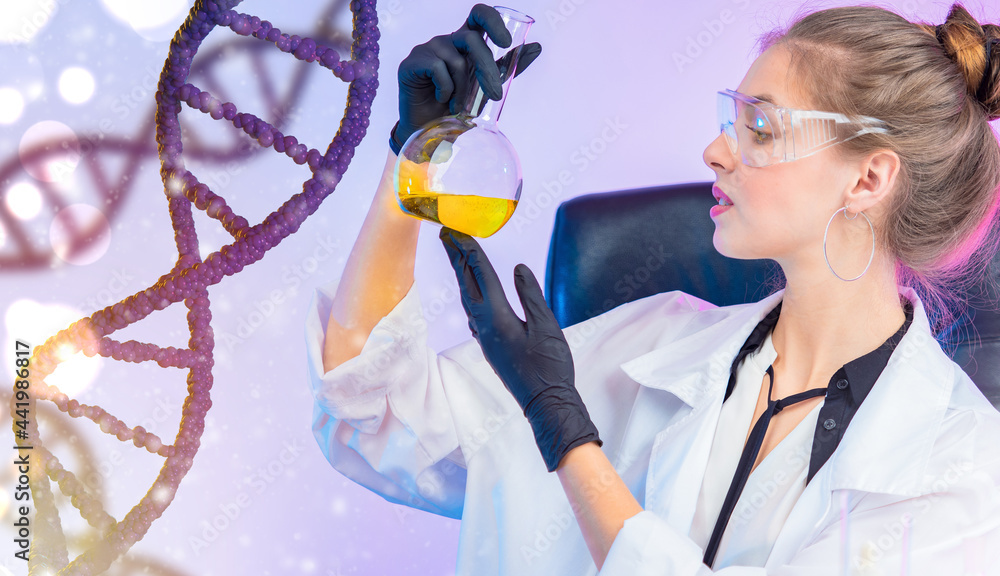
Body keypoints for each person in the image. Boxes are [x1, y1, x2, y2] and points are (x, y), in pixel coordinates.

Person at [304, 3, 1000, 574]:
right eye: (731, 120)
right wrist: (415, 159)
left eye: (759, 126)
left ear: (869, 179)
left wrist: (568, 435)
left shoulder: (962, 466)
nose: (717, 150)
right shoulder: (654, 342)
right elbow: (377, 419)